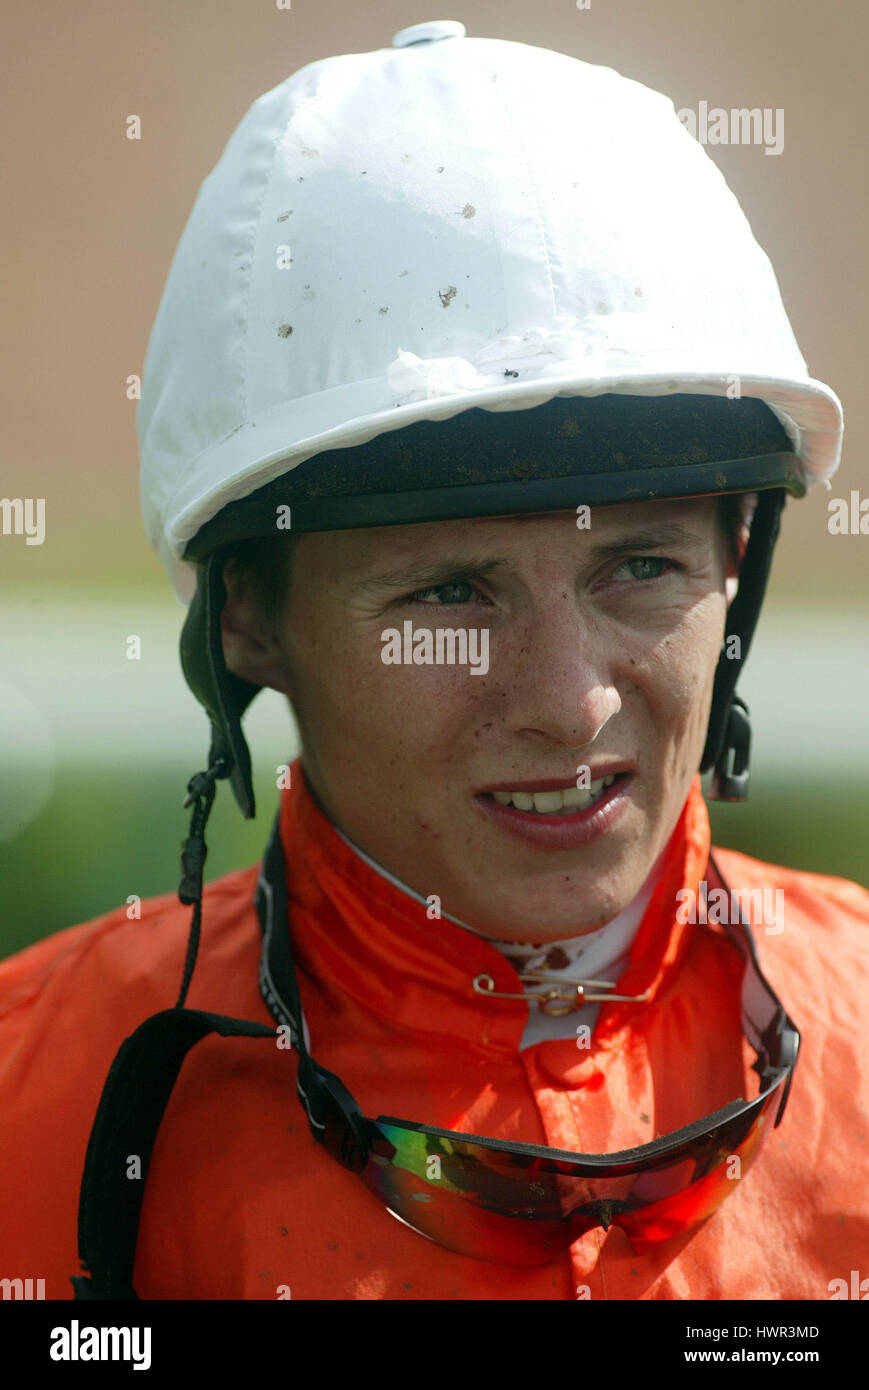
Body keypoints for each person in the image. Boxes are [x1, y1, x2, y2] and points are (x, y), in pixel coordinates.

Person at [1, 20, 867, 1303]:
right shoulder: (33, 1097)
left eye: (638, 568)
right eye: (451, 595)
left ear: (736, 559)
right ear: (248, 619)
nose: (568, 704)